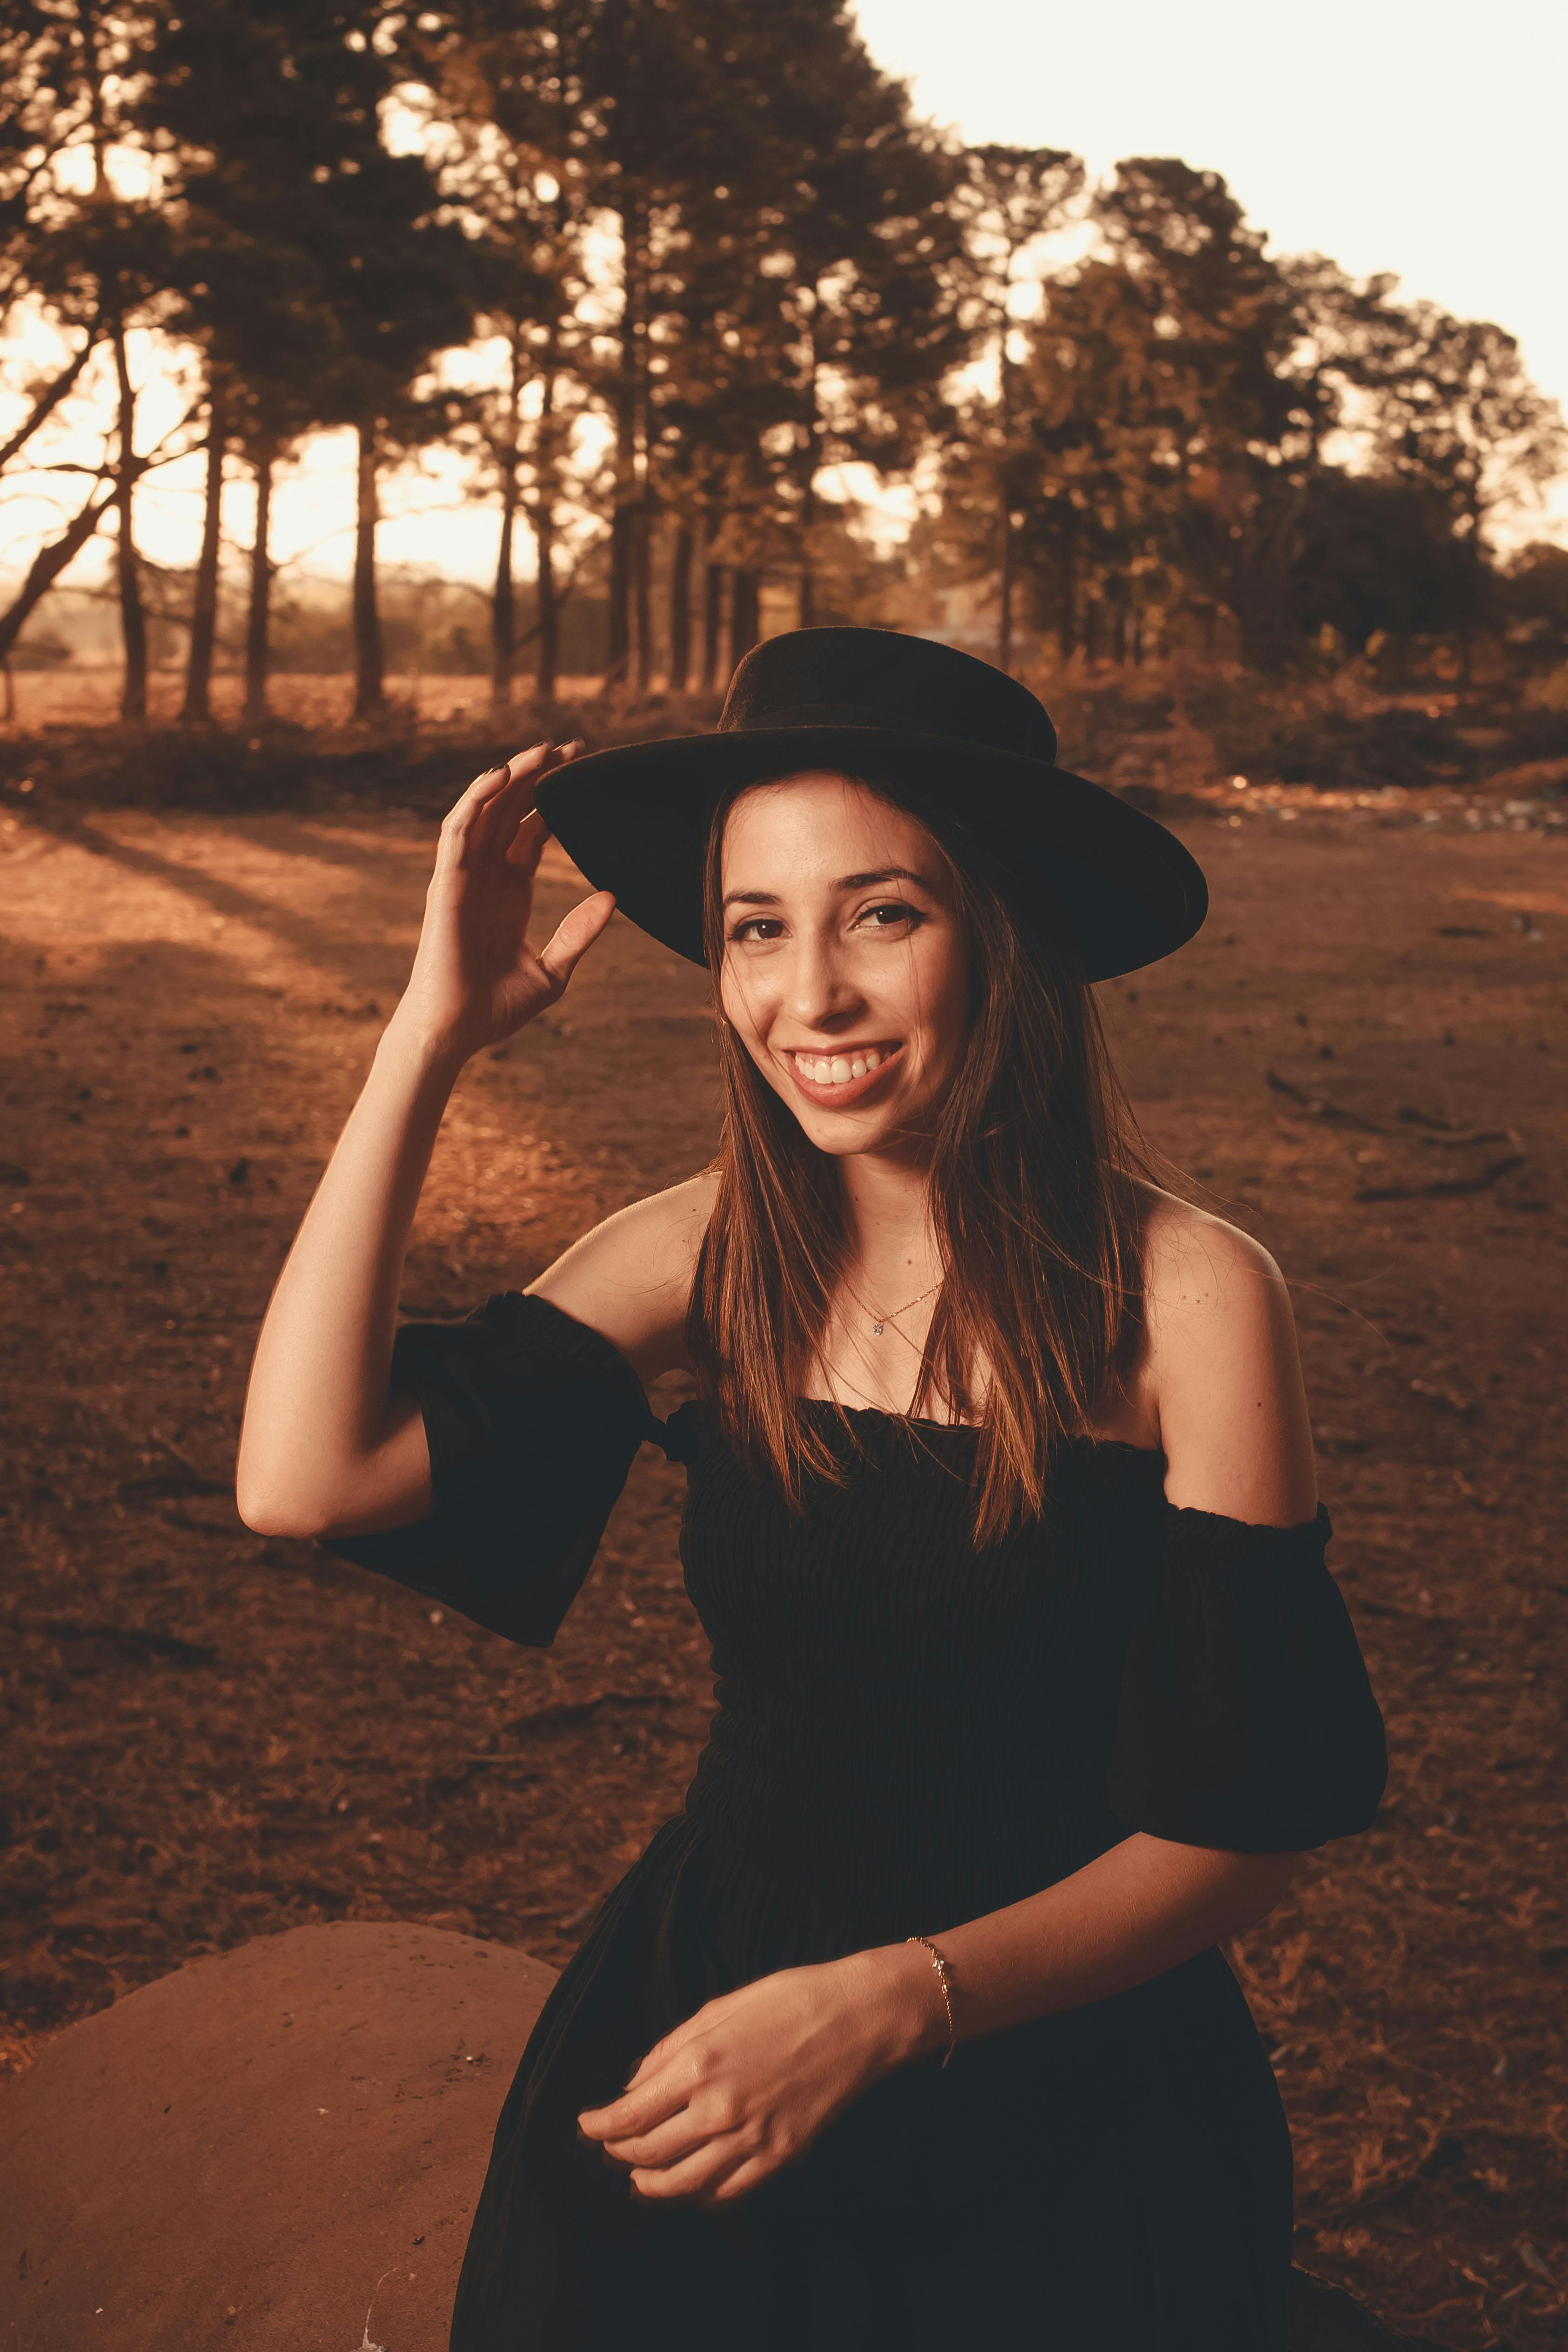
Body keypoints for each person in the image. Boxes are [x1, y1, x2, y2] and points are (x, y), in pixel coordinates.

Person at [236, 628, 1388, 2352]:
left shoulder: (1193, 1300)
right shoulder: (704, 1255)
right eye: (753, 929)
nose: (810, 997)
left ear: (1004, 929)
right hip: (704, 2027)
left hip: (1066, 2088)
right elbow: (303, 1484)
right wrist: (430, 1036)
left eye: (883, 914)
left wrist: (890, 2005)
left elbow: (1242, 1836)